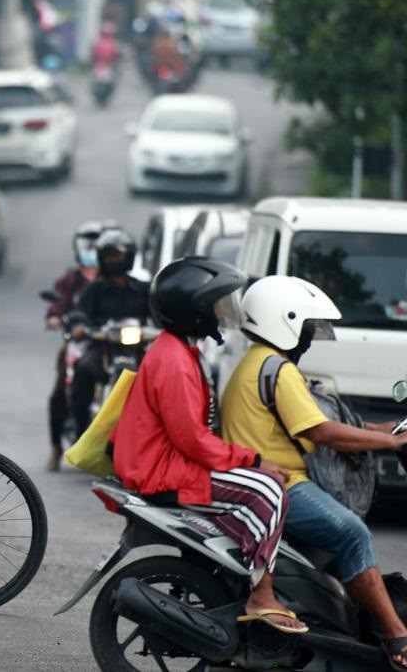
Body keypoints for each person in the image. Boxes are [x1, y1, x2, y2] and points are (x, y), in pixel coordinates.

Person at [112, 257, 308, 635]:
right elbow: (194, 441)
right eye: (217, 304)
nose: (223, 312)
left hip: (164, 461)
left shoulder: (181, 349)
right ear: (196, 310)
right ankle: (261, 594)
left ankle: (237, 576)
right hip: (162, 471)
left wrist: (246, 459)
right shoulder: (174, 360)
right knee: (267, 490)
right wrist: (253, 459)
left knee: (260, 481)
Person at [220, 275, 407, 669]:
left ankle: (344, 621)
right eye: (307, 329)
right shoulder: (278, 369)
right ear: (282, 321)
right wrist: (389, 444)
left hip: (267, 478)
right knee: (353, 533)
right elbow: (319, 431)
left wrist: (378, 429)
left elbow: (316, 416)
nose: (308, 339)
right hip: (283, 483)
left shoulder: (259, 362)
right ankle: (395, 635)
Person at [69, 229, 150, 437]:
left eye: (118, 255)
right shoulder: (94, 289)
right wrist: (79, 326)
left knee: (163, 375)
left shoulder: (143, 288)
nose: (113, 261)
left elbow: (160, 314)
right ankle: (81, 431)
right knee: (84, 370)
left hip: (138, 348)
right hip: (104, 347)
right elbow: (79, 313)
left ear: (129, 257)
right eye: (108, 256)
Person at [44, 221, 103, 470]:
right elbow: (58, 305)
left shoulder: (113, 280)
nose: (90, 249)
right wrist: (55, 317)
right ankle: (56, 446)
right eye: (86, 244)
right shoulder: (71, 280)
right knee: (60, 392)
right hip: (77, 342)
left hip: (108, 343)